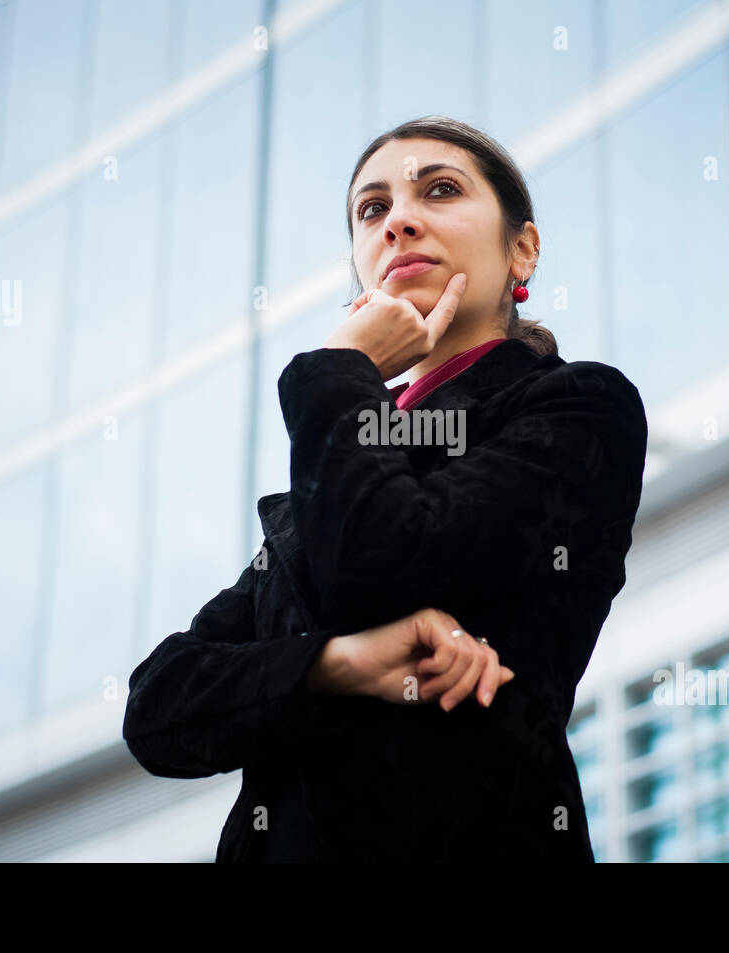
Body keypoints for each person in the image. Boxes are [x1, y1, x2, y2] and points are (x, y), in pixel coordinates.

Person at [123, 116, 648, 862]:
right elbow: (157, 708)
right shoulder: (332, 470)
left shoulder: (579, 408)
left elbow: (383, 565)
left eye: (439, 190)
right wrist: (336, 664)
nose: (398, 219)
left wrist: (339, 367)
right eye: (372, 210)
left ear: (521, 249)